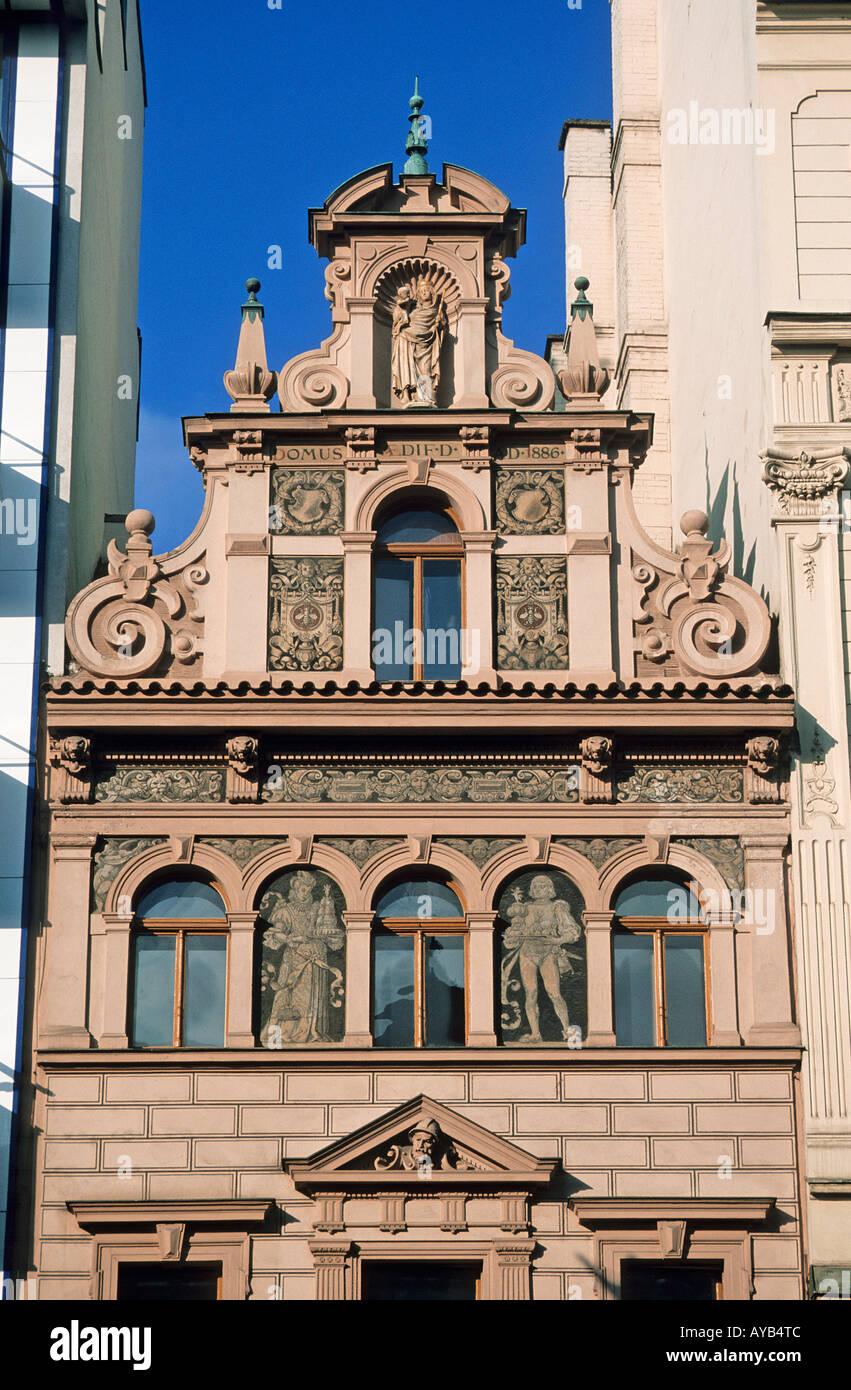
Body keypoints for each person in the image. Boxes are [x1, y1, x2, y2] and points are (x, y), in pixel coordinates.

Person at [502, 875, 583, 1042]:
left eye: (542, 886)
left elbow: (572, 931)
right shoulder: (524, 908)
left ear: (550, 889)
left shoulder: (557, 907)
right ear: (531, 890)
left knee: (554, 993)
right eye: (535, 886)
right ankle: (535, 1034)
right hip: (527, 952)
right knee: (530, 994)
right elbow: (514, 934)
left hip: (548, 952)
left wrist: (557, 940)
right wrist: (513, 935)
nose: (538, 889)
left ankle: (569, 1033)